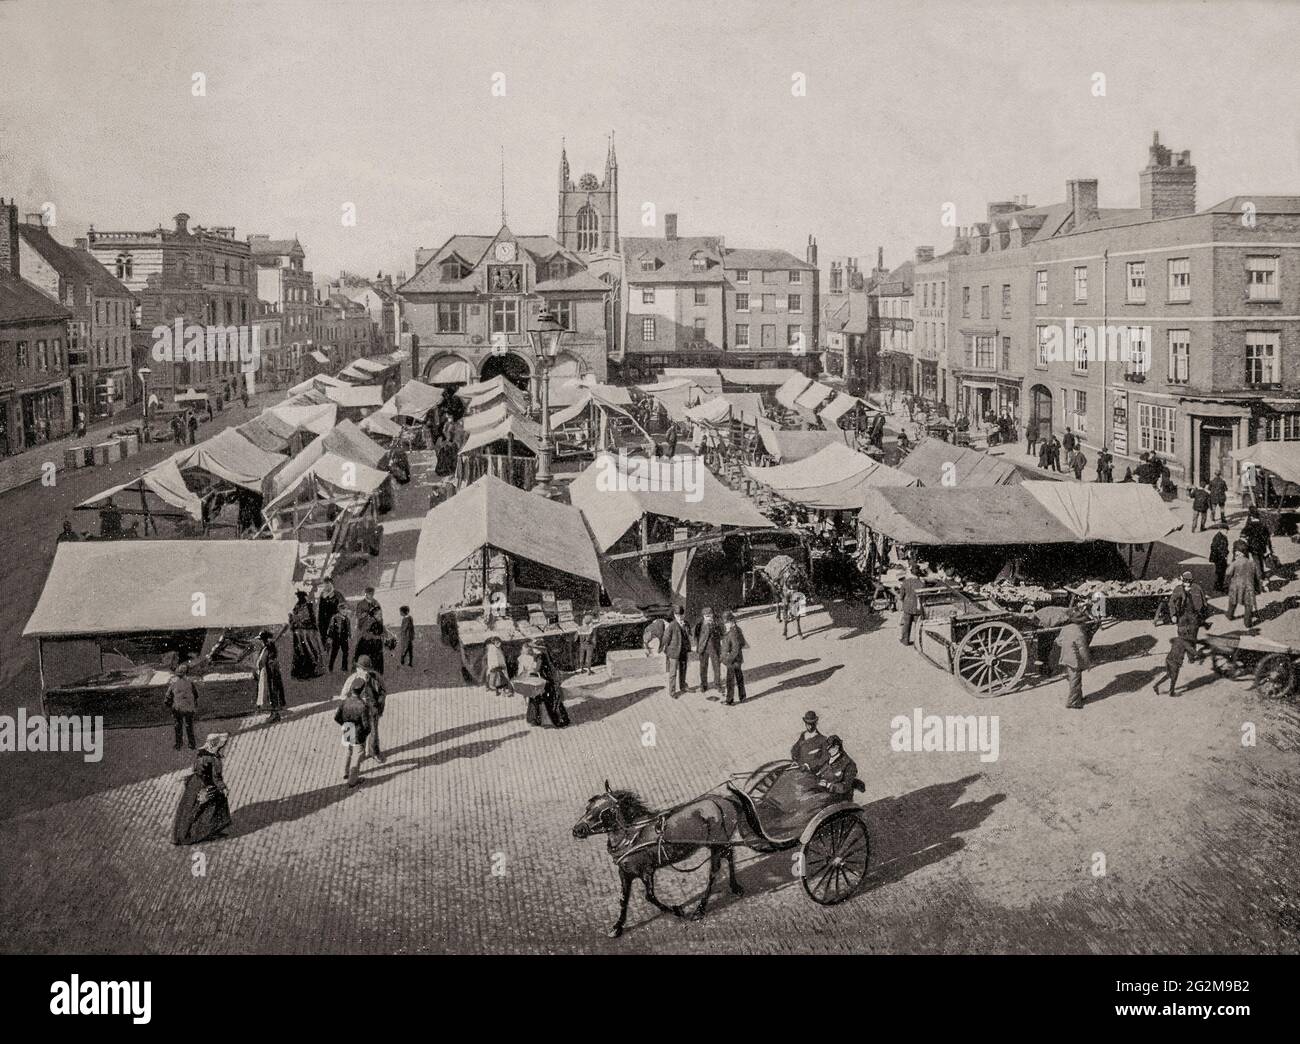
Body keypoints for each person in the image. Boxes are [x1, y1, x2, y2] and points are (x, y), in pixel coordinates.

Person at [172, 733, 232, 845]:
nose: (223, 746)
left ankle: (183, 834)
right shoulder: (214, 760)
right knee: (211, 806)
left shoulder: (201, 754)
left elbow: (196, 769)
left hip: (195, 784)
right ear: (216, 745)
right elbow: (216, 777)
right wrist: (223, 788)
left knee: (191, 808)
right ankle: (202, 832)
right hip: (206, 786)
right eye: (221, 745)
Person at [342, 655, 386, 760]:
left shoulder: (375, 677)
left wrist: (379, 705)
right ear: (358, 669)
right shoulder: (352, 680)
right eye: (363, 670)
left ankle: (373, 752)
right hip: (358, 711)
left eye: (368, 670)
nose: (366, 673)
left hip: (372, 710)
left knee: (374, 731)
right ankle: (359, 752)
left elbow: (383, 692)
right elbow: (343, 695)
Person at [334, 678, 372, 786]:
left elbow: (337, 717)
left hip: (348, 728)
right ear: (362, 690)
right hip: (358, 733)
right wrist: (365, 734)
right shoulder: (363, 706)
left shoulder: (345, 702)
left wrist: (345, 724)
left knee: (348, 750)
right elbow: (366, 725)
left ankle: (344, 772)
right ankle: (353, 780)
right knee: (358, 755)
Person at [1057, 609, 1092, 709]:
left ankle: (1078, 698)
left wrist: (1067, 646)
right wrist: (1088, 663)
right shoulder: (1079, 633)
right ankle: (1072, 702)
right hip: (1074, 660)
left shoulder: (1065, 628)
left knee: (1074, 679)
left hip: (1066, 658)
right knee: (1075, 681)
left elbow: (1059, 641)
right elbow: (1083, 650)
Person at [165, 659, 200, 751]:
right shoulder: (190, 683)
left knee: (178, 726)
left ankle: (178, 744)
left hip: (178, 708)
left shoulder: (173, 684)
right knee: (189, 726)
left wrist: (169, 705)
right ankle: (192, 744)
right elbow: (196, 695)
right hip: (189, 707)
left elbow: (168, 697)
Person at [1225, 546, 1263, 629]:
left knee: (1232, 601)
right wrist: (1258, 588)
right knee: (1248, 605)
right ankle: (1247, 623)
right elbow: (1257, 576)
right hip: (1249, 586)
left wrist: (1226, 584)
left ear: (1242, 553)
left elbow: (1228, 573)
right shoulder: (1252, 563)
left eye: (1237, 553)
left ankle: (1229, 615)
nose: (1235, 554)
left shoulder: (1235, 563)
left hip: (1236, 586)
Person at [289, 590, 324, 678]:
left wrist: (312, 627)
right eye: (298, 597)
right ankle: (302, 671)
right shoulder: (296, 607)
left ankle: (315, 670)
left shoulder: (308, 606)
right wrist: (293, 621)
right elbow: (294, 619)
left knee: (311, 649)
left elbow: (312, 619)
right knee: (301, 651)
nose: (300, 598)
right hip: (299, 633)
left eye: (301, 596)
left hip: (308, 632)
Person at [255, 630, 287, 722]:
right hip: (271, 673)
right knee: (273, 692)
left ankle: (275, 715)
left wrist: (259, 670)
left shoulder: (267, 649)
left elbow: (262, 662)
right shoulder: (270, 648)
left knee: (271, 693)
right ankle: (274, 713)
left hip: (268, 674)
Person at [354, 587, 386, 673]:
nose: (371, 595)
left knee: (376, 651)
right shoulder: (361, 604)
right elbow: (358, 616)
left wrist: (381, 628)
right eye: (369, 594)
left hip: (375, 630)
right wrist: (365, 615)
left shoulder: (376, 603)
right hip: (365, 630)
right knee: (364, 650)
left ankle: (377, 671)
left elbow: (380, 617)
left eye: (372, 594)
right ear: (366, 594)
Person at [719, 612, 747, 705]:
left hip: (733, 660)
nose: (725, 624)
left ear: (732, 622)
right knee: (739, 677)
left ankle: (729, 700)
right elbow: (742, 643)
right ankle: (742, 696)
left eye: (726, 622)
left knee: (730, 681)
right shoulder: (737, 629)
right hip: (738, 659)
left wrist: (728, 658)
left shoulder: (732, 632)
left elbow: (735, 648)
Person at [663, 606, 689, 698]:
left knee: (683, 670)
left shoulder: (686, 623)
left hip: (683, 651)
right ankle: (672, 692)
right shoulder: (672, 625)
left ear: (684, 615)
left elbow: (687, 636)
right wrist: (668, 649)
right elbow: (665, 639)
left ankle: (683, 687)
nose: (680, 617)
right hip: (674, 652)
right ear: (674, 615)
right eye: (678, 615)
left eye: (681, 615)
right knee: (673, 673)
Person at [899, 561, 928, 646]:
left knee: (906, 624)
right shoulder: (922, 583)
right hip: (918, 607)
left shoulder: (906, 582)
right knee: (918, 625)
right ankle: (918, 642)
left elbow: (901, 596)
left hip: (907, 606)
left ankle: (905, 640)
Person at [693, 607, 721, 693]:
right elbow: (695, 635)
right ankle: (703, 685)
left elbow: (722, 634)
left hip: (714, 648)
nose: (709, 618)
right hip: (703, 648)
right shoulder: (699, 625)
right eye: (706, 616)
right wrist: (696, 645)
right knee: (703, 667)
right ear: (703, 616)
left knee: (716, 666)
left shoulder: (716, 623)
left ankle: (717, 684)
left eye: (710, 616)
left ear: (713, 615)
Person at [1241, 508, 1274, 576]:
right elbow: (1267, 538)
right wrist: (1270, 548)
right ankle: (1262, 573)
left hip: (1253, 546)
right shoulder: (1263, 526)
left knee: (1256, 560)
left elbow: (1242, 535)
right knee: (1261, 560)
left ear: (1251, 517)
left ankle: (1259, 575)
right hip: (1262, 546)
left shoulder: (1249, 526)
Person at [317, 577, 344, 645]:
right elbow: (319, 609)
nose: (326, 586)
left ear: (331, 584)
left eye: (328, 584)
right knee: (323, 638)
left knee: (334, 639)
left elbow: (343, 606)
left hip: (334, 620)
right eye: (325, 584)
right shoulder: (322, 595)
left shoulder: (337, 594)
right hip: (323, 621)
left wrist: (339, 614)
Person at [326, 603, 351, 672]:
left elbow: (348, 628)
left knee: (346, 652)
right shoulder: (334, 618)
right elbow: (330, 628)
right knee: (334, 652)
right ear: (339, 610)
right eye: (343, 610)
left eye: (346, 610)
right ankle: (330, 667)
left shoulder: (347, 619)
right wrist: (329, 637)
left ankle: (344, 667)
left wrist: (350, 635)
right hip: (336, 638)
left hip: (344, 638)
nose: (345, 612)